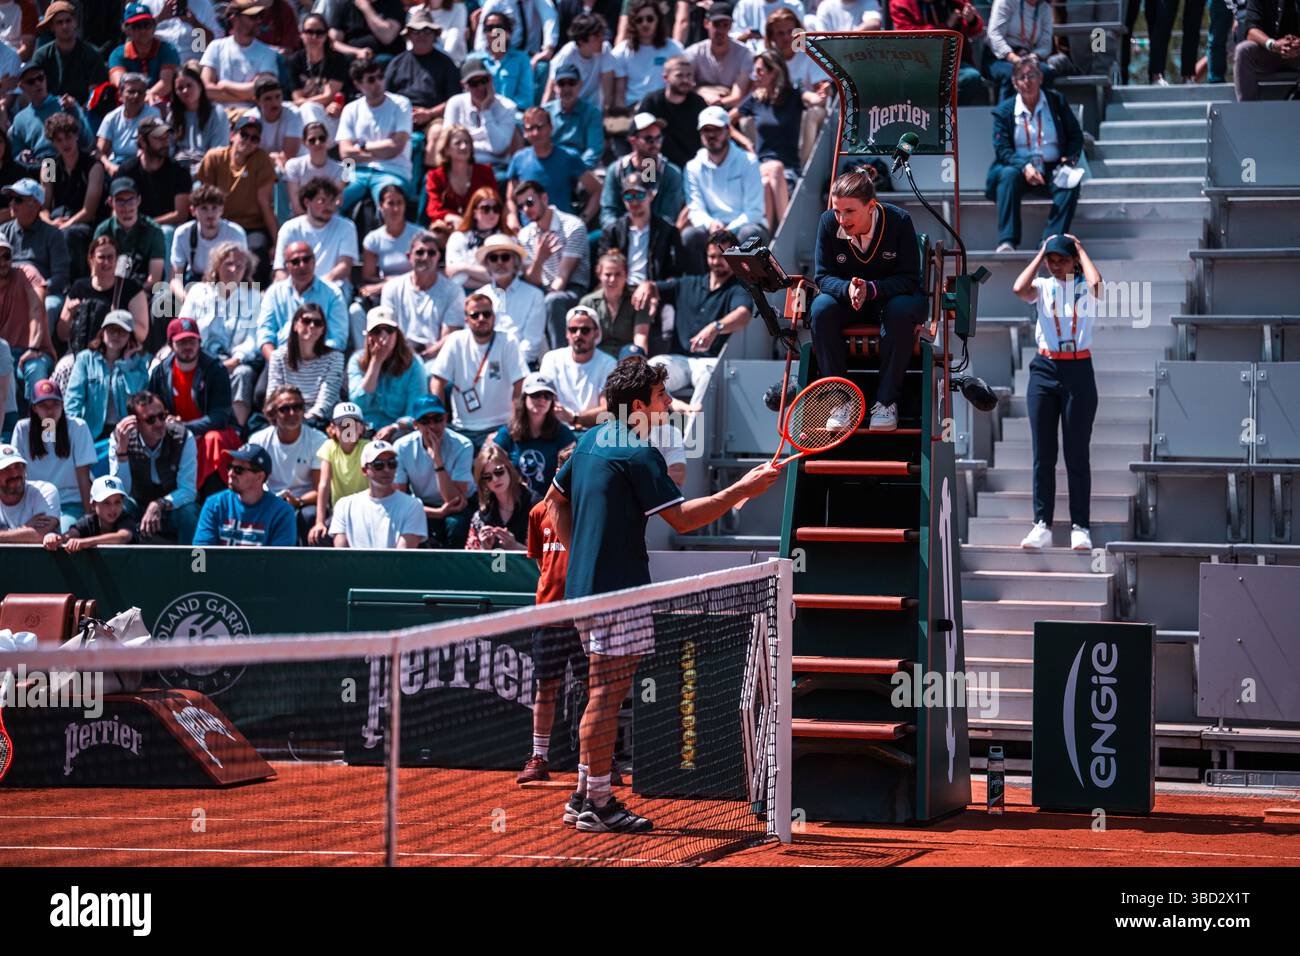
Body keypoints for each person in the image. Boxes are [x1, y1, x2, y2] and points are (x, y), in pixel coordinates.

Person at [543, 356, 781, 832]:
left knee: (599, 693)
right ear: (637, 406)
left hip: (586, 591)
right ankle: (601, 804)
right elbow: (685, 520)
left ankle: (583, 796)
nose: (669, 404)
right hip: (620, 592)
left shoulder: (588, 441)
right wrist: (743, 487)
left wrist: (583, 552)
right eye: (660, 397)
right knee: (607, 697)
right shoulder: (638, 453)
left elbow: (553, 505)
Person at [810, 170, 926, 432]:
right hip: (850, 301)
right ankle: (839, 401)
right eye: (838, 211)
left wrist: (872, 289)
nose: (841, 219)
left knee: (900, 309)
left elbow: (909, 279)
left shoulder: (899, 220)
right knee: (820, 308)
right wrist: (847, 288)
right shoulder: (828, 222)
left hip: (893, 300)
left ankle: (886, 402)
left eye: (849, 211)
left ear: (871, 206)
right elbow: (822, 277)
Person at [1012, 233, 1102, 553]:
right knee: (1043, 453)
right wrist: (1040, 254)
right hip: (1045, 368)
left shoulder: (1082, 286)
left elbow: (1097, 284)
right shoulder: (1044, 286)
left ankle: (1080, 525)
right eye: (1052, 260)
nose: (1055, 265)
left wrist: (1079, 248)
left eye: (1061, 259)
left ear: (1074, 260)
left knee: (1076, 452)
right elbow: (1018, 289)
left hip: (1078, 369)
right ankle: (1042, 524)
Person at [516, 442, 579, 783]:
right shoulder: (538, 512)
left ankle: (598, 761)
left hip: (586, 612)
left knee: (593, 688)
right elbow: (541, 561)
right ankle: (539, 757)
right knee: (546, 686)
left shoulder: (591, 509)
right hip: (548, 614)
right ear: (558, 471)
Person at [634, 229, 751, 411]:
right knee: (649, 369)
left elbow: (743, 315)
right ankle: (661, 424)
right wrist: (646, 286)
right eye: (711, 256)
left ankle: (692, 432)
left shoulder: (738, 288)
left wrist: (715, 327)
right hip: (680, 359)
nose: (716, 262)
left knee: (706, 375)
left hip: (710, 361)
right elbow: (654, 287)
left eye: (722, 257)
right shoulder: (687, 283)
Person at [985, 58, 1083, 253]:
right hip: (1020, 167)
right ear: (1014, 83)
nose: (1027, 81)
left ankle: (1049, 241)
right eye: (1021, 77)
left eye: (1032, 76)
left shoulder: (1056, 101)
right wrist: (1024, 166)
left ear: (1041, 78)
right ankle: (1007, 241)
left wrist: (1069, 158)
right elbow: (1002, 148)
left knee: (1071, 183)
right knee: (1007, 175)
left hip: (1052, 166)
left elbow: (1075, 135)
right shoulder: (1004, 110)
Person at [147, 316, 242, 497]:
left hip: (212, 433)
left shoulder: (215, 369)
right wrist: (166, 422)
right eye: (181, 342)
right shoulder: (160, 372)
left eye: (192, 340)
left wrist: (184, 427)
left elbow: (220, 418)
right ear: (171, 344)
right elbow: (151, 408)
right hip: (175, 434)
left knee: (213, 440)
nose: (188, 346)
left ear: (199, 342)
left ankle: (213, 499)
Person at [431, 292, 528, 453]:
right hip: (461, 428)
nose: (481, 318)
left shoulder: (508, 341)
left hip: (500, 427)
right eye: (475, 315)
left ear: (494, 317)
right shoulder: (456, 340)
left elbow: (520, 384)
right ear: (466, 319)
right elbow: (437, 380)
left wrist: (513, 424)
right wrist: (440, 419)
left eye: (486, 313)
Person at [178, 242, 261, 428]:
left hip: (233, 361)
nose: (233, 269)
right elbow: (184, 325)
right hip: (198, 357)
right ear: (217, 266)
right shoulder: (198, 292)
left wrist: (237, 360)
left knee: (244, 375)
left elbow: (252, 339)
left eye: (239, 266)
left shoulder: (253, 297)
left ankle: (235, 430)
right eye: (228, 264)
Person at [682, 105, 768, 273]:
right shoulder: (692, 167)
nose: (711, 135)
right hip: (712, 227)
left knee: (749, 235)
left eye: (716, 129)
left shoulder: (748, 161)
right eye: (706, 130)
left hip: (743, 226)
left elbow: (754, 211)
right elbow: (695, 208)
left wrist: (729, 229)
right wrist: (711, 224)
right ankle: (701, 287)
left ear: (728, 131)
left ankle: (749, 292)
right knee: (689, 236)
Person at [107, 388, 200, 543]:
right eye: (150, 419)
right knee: (119, 508)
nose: (158, 423)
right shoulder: (119, 439)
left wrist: (159, 504)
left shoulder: (183, 437)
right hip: (137, 504)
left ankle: (193, 566)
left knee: (189, 513)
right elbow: (121, 491)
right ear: (135, 424)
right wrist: (122, 452)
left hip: (171, 506)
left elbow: (188, 490)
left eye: (161, 416)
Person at [515, 179, 590, 354]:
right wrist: (539, 260)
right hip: (541, 289)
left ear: (544, 198)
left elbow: (562, 278)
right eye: (521, 206)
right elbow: (532, 281)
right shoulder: (525, 235)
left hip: (573, 290)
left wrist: (539, 298)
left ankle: (560, 357)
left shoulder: (573, 226)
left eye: (529, 202)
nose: (526, 209)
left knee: (552, 301)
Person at [10, 378, 96, 529]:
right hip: (35, 505)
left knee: (61, 535)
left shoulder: (78, 427)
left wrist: (89, 518)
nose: (50, 411)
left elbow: (83, 476)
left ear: (62, 405)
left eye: (55, 404)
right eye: (43, 405)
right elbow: (17, 473)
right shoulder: (22, 429)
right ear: (34, 408)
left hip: (70, 504)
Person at [195, 114, 278, 266]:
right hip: (219, 222)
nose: (248, 141)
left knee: (257, 252)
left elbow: (265, 203)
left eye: (254, 138)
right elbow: (204, 199)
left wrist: (276, 243)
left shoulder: (261, 160)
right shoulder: (214, 158)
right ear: (232, 135)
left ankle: (253, 290)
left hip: (252, 226)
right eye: (244, 135)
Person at [392, 393, 474, 547]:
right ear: (415, 424)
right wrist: (435, 513)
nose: (432, 426)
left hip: (459, 504)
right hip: (423, 504)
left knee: (456, 525)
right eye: (425, 421)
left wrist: (437, 460)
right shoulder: (402, 447)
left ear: (446, 419)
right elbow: (399, 500)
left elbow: (455, 500)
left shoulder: (463, 445)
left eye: (437, 419)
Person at [734, 50, 802, 230]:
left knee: (767, 182)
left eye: (759, 71)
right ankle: (787, 233)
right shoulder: (755, 99)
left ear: (774, 72)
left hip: (789, 168)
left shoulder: (793, 96)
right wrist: (745, 142)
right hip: (760, 164)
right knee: (774, 168)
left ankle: (769, 242)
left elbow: (813, 100)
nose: (754, 76)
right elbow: (725, 122)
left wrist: (821, 96)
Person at [249, 384, 325, 541]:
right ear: (272, 413)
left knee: (309, 515)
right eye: (284, 409)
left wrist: (298, 501)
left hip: (304, 502)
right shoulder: (258, 441)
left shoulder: (318, 440)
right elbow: (250, 483)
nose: (292, 413)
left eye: (297, 407)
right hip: (267, 500)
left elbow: (319, 490)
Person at [337, 59, 414, 212]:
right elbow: (345, 154)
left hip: (392, 171)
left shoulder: (401, 104)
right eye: (371, 79)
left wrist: (362, 147)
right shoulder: (350, 109)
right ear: (358, 84)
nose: (378, 83)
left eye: (380, 77)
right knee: (333, 202)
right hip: (354, 172)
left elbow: (396, 148)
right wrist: (383, 151)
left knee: (390, 207)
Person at [56, 236, 148, 361]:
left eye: (110, 257)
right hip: (81, 354)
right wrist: (70, 315)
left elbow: (142, 335)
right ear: (91, 259)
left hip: (120, 356)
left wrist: (122, 318)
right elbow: (62, 334)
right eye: (101, 257)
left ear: (117, 260)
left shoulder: (132, 290)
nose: (106, 262)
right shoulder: (79, 287)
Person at [380, 231, 465, 367]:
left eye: (431, 253)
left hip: (436, 358)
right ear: (409, 256)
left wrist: (424, 357)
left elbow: (449, 337)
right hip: (398, 354)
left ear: (438, 257)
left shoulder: (454, 291)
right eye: (420, 252)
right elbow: (388, 329)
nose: (425, 257)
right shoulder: (391, 288)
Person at [65, 310, 150, 440]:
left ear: (130, 336)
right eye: (111, 330)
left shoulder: (138, 362)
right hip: (91, 433)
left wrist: (126, 365)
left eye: (122, 332)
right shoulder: (85, 359)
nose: (116, 335)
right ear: (102, 332)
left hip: (126, 433)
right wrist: (73, 431)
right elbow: (73, 399)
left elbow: (138, 396)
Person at [1, 178, 71, 338]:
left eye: (18, 200)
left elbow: (61, 276)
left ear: (35, 205)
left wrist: (37, 291)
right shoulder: (3, 232)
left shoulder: (54, 235)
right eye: (11, 199)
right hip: (8, 290)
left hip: (43, 293)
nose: (12, 204)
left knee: (49, 307)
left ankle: (37, 353)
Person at [491, 371, 576, 501]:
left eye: (548, 396)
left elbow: (568, 476)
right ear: (524, 397)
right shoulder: (508, 432)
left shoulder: (563, 434)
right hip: (515, 501)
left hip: (549, 502)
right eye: (536, 394)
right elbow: (491, 462)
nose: (542, 399)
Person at [192, 442, 298, 546]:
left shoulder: (282, 512)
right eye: (230, 467)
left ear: (259, 477)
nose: (230, 474)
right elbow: (200, 552)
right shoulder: (214, 504)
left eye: (238, 470)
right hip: (217, 564)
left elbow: (280, 560)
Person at [329, 439, 428, 548]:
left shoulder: (413, 506)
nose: (386, 469)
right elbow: (341, 554)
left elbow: (402, 557)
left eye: (391, 463)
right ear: (364, 470)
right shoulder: (344, 506)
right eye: (378, 464)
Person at [40, 111, 104, 275]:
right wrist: (50, 223)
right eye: (59, 140)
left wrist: (64, 226)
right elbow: (43, 207)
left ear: (76, 135)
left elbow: (89, 211)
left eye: (68, 137)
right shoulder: (49, 165)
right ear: (53, 143)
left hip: (81, 221)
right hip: (56, 219)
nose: (65, 143)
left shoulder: (92, 166)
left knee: (70, 235)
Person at [272, 177, 357, 300]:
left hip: (332, 286)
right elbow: (280, 270)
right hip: (294, 288)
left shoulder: (346, 227)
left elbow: (344, 266)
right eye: (322, 201)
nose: (328, 206)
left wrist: (316, 288)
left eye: (332, 201)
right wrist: (295, 291)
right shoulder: (289, 228)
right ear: (307, 202)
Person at [506, 107, 599, 220]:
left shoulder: (569, 157)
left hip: (563, 231)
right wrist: (512, 217)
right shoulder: (518, 159)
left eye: (540, 127)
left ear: (550, 128)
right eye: (530, 128)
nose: (535, 133)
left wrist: (584, 218)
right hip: (529, 232)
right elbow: (511, 198)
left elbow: (597, 190)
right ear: (525, 133)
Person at [348, 305, 429, 433]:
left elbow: (416, 410)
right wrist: (376, 362)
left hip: (398, 429)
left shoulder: (413, 364)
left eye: (388, 330)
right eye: (377, 331)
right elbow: (357, 404)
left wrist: (394, 427)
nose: (382, 337)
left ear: (397, 334)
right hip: (363, 428)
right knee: (346, 432)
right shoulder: (356, 361)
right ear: (368, 336)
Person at [91, 178, 166, 317]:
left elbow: (154, 278)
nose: (126, 207)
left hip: (142, 288)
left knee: (161, 305)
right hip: (108, 287)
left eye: (130, 200)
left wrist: (131, 295)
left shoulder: (154, 231)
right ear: (110, 202)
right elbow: (95, 271)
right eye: (120, 201)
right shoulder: (102, 230)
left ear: (138, 200)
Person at [599, 112, 686, 230]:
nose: (655, 143)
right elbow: (608, 212)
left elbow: (668, 215)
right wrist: (621, 233)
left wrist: (644, 233)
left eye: (658, 138)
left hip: (657, 236)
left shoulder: (671, 173)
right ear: (633, 141)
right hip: (620, 232)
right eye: (649, 139)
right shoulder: (616, 170)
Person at [889, 0, 986, 103]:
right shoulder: (901, 3)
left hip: (951, 62)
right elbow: (909, 37)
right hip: (917, 62)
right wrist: (946, 26)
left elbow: (976, 30)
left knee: (971, 77)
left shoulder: (957, 2)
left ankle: (952, 115)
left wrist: (972, 20)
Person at [267, 302, 345, 430]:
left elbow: (326, 400)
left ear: (323, 329)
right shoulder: (278, 357)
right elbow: (273, 395)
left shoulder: (335, 358)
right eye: (306, 321)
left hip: (320, 422)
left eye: (318, 323)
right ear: (295, 325)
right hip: (286, 417)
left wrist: (304, 420)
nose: (312, 326)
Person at [599, 170, 684, 286]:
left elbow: (675, 272)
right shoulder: (613, 231)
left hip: (654, 291)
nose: (634, 201)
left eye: (639, 195)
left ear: (650, 195)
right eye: (628, 196)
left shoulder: (668, 231)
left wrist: (655, 288)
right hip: (620, 292)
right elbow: (603, 268)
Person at [474, 232, 548, 366]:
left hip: (521, 366)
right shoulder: (478, 296)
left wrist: (509, 367)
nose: (499, 262)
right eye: (494, 258)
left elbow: (532, 343)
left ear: (515, 261)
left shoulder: (534, 295)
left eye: (505, 257)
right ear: (487, 263)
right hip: (483, 365)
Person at [442, 57, 523, 178]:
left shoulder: (508, 107)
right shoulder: (455, 103)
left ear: (490, 79)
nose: (480, 87)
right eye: (474, 83)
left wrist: (485, 110)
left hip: (495, 167)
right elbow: (448, 144)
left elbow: (498, 147)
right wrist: (486, 146)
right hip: (462, 164)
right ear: (464, 86)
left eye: (484, 81)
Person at [384, 7, 460, 133]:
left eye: (427, 31)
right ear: (408, 35)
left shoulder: (446, 63)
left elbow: (454, 100)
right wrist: (404, 114)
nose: (421, 36)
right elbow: (385, 96)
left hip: (435, 118)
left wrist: (429, 113)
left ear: (435, 35)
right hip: (398, 116)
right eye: (416, 31)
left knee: (437, 132)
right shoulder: (396, 63)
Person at [540, 306, 618, 427]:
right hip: (557, 432)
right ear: (567, 333)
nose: (578, 335)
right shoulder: (551, 359)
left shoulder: (609, 363)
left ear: (596, 333)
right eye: (573, 329)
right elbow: (547, 401)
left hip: (592, 432)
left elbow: (607, 410)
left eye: (585, 330)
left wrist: (575, 418)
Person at [199, 0, 284, 111]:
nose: (258, 21)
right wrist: (247, 97)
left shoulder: (268, 52)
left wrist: (225, 85)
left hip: (252, 117)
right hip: (219, 115)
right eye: (253, 16)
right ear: (234, 18)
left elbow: (261, 90)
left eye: (260, 16)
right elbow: (205, 88)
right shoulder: (216, 47)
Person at [168, 185, 248, 303]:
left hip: (226, 284)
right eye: (204, 208)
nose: (210, 214)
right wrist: (185, 298)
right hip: (193, 284)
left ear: (222, 210)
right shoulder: (183, 234)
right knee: (163, 301)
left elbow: (242, 273)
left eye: (214, 208)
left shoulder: (236, 233)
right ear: (193, 211)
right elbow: (175, 277)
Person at [115, 116, 192, 237]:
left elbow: (180, 215)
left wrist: (145, 225)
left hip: (165, 228)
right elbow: (116, 207)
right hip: (132, 226)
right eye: (158, 138)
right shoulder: (127, 170)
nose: (165, 143)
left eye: (166, 138)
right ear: (142, 141)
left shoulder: (179, 171)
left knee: (166, 232)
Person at [0, 234, 54, 404]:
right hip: (3, 354)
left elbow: (36, 310)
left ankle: (46, 429)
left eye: (6, 256)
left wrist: (32, 347)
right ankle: (10, 428)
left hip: (35, 351)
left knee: (35, 370)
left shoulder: (27, 273)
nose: (2, 262)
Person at [307, 401, 369, 545]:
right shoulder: (329, 447)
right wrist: (320, 522)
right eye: (343, 424)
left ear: (362, 429)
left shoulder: (368, 447)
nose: (348, 429)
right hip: (340, 514)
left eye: (353, 424)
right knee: (320, 536)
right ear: (333, 428)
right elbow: (323, 485)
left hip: (366, 511)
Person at [8, 63, 96, 164]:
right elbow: (15, 153)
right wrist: (22, 155)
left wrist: (74, 113)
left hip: (67, 161)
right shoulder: (20, 119)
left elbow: (88, 143)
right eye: (31, 81)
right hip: (39, 165)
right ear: (22, 87)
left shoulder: (66, 104)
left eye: (40, 78)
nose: (37, 83)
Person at [29, 3, 110, 108]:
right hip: (49, 109)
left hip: (84, 111)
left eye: (68, 21)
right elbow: (36, 91)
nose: (65, 26)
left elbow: (94, 95)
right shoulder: (41, 56)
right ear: (52, 27)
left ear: (75, 23)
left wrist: (77, 108)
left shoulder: (92, 53)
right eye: (59, 22)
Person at [612, 0, 685, 109]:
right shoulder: (621, 52)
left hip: (664, 108)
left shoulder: (674, 49)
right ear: (633, 23)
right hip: (632, 108)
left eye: (650, 19)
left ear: (658, 20)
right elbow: (619, 94)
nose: (645, 23)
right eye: (639, 20)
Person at [636, 55, 705, 169]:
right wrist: (649, 178)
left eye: (689, 75)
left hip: (692, 168)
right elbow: (637, 137)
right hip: (657, 167)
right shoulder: (652, 102)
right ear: (665, 77)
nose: (685, 80)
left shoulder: (698, 102)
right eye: (679, 75)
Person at [579, 250, 652, 358]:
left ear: (626, 275)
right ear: (599, 275)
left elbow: (640, 336)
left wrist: (638, 361)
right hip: (596, 359)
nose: (612, 279)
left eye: (618, 274)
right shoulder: (588, 302)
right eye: (608, 275)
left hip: (626, 358)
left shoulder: (638, 301)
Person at [287, 12, 348, 139]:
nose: (314, 36)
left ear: (326, 35)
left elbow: (329, 95)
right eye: (309, 32)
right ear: (301, 34)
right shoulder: (294, 61)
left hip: (331, 116)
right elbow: (297, 98)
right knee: (307, 109)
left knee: (308, 107)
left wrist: (303, 101)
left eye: (319, 32)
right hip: (303, 117)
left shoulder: (337, 59)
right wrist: (302, 102)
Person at [359, 185, 424, 303]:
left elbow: (424, 272)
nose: (395, 209)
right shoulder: (373, 239)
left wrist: (391, 282)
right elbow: (368, 276)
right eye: (390, 203)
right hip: (385, 293)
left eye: (399, 203)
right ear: (380, 206)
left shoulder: (419, 235)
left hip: (416, 290)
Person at [41, 474, 140, 551]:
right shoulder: (88, 521)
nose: (113, 508)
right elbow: (69, 535)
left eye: (117, 502)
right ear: (93, 505)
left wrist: (85, 543)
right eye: (106, 503)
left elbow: (122, 537)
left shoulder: (126, 519)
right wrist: (54, 538)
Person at [465, 441, 533, 550]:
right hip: (495, 567)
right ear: (483, 483)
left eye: (499, 471)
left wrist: (516, 547)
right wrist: (484, 549)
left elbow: (549, 558)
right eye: (487, 477)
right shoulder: (481, 516)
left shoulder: (536, 506)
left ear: (509, 469)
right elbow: (471, 563)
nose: (495, 479)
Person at [985, 0, 1056, 100]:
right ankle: (1005, 114)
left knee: (1045, 72)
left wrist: (1033, 57)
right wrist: (1014, 59)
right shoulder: (1006, 2)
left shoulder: (1045, 8)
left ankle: (1041, 112)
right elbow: (994, 35)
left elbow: (1045, 45)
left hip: (1029, 57)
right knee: (1013, 74)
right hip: (1000, 57)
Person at [686, 3, 753, 108]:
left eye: (725, 25)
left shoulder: (745, 54)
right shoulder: (693, 52)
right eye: (716, 24)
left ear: (731, 26)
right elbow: (684, 86)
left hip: (731, 109)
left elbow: (737, 97)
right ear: (706, 23)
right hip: (699, 106)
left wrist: (715, 101)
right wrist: (703, 92)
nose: (720, 31)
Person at [109, 4, 181, 102]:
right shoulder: (117, 54)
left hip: (160, 103)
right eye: (136, 26)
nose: (143, 30)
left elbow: (167, 83)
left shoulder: (168, 49)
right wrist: (143, 98)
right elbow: (120, 85)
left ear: (154, 27)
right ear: (127, 30)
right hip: (129, 104)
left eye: (147, 24)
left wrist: (148, 95)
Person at [544, 12, 616, 110]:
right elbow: (551, 89)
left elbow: (607, 91)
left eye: (602, 35)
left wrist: (604, 116)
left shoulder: (606, 49)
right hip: (567, 109)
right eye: (597, 37)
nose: (602, 40)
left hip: (591, 111)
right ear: (581, 41)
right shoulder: (567, 54)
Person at [445, 187, 514, 287]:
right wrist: (492, 281)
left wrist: (464, 268)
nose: (492, 213)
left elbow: (508, 276)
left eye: (496, 209)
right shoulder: (458, 238)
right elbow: (456, 277)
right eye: (485, 209)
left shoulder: (508, 239)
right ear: (474, 212)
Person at [169, 65, 230, 176]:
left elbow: (218, 151)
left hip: (206, 169)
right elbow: (169, 149)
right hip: (177, 170)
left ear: (200, 86)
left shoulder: (217, 113)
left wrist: (197, 171)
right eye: (180, 88)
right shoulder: (173, 116)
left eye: (189, 85)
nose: (185, 90)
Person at [96, 73, 160, 176]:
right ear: (120, 94)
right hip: (118, 164)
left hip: (143, 164)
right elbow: (99, 152)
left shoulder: (153, 115)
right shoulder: (111, 118)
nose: (136, 96)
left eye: (140, 92)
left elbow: (156, 146)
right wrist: (109, 166)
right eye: (131, 92)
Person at [1234, 0, 1300, 100]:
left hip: (1297, 54)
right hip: (1268, 51)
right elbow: (1251, 29)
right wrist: (1273, 44)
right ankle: (1248, 110)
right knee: (1243, 50)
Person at [0, 441, 61, 543]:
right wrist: (25, 528)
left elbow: (39, 535)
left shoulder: (44, 491)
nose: (15, 473)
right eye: (6, 469)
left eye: (18, 466)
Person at [285, 121, 344, 216]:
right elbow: (297, 207)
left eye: (322, 138)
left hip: (329, 220)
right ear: (304, 143)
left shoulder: (340, 169)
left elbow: (335, 203)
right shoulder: (293, 166)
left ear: (328, 140)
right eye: (312, 140)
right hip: (300, 220)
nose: (317, 143)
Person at [247, 74, 302, 173]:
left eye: (278, 96)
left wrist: (268, 158)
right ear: (257, 101)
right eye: (268, 98)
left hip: (291, 168)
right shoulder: (250, 118)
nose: (275, 103)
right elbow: (247, 154)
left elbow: (289, 156)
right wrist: (271, 158)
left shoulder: (293, 113)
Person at [328, 0, 406, 61]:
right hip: (352, 60)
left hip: (383, 59)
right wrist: (357, 52)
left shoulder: (393, 4)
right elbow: (333, 43)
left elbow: (387, 37)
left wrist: (366, 8)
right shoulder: (344, 4)